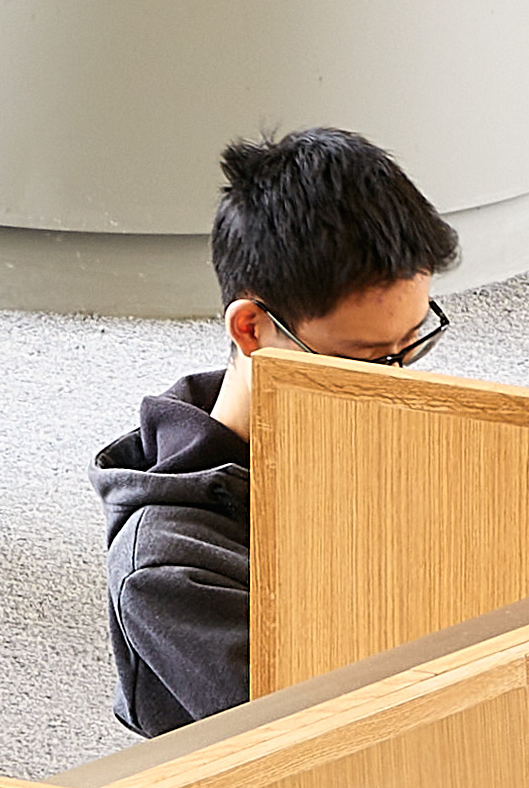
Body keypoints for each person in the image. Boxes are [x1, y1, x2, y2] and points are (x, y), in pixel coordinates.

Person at [91, 127, 461, 740]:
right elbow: (321, 748)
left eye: (413, 345)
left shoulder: (382, 434)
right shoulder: (168, 567)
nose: (397, 388)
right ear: (251, 327)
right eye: (365, 359)